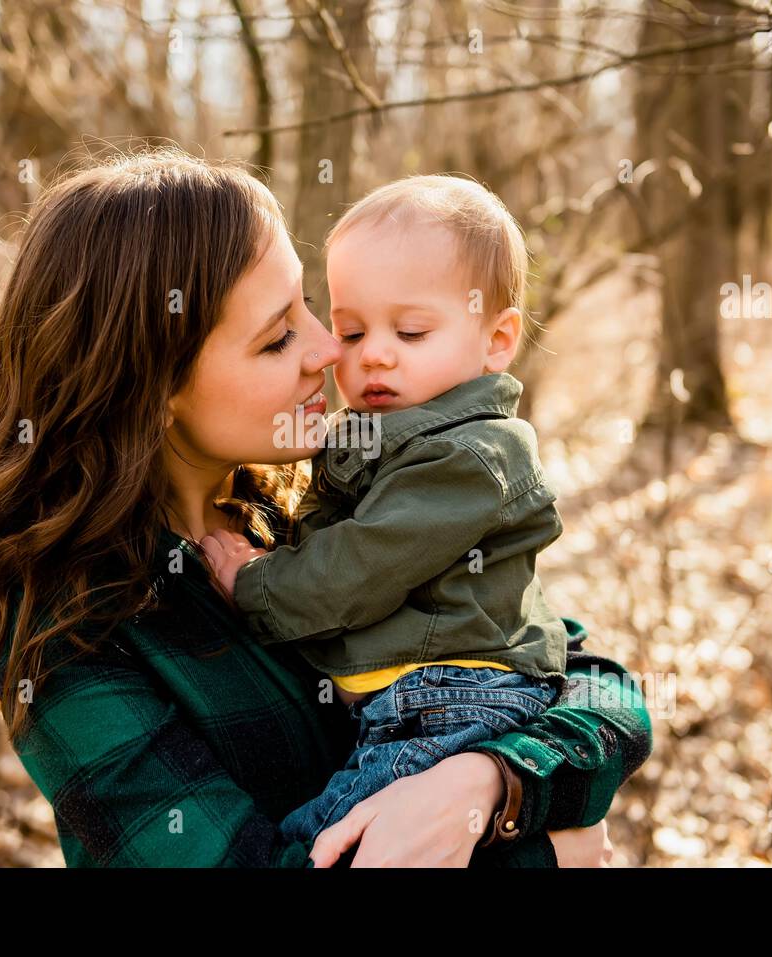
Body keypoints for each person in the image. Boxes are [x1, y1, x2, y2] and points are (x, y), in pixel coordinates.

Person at [0, 149, 652, 867]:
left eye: (309, 305)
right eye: (276, 337)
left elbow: (603, 690)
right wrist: (545, 853)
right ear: (153, 384)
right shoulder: (66, 626)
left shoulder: (296, 506)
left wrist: (495, 782)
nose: (331, 349)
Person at [201, 175, 575, 847]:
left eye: (410, 330)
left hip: (454, 701)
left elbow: (361, 565)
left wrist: (255, 585)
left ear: (497, 340)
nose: (372, 351)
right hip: (416, 700)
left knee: (326, 841)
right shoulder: (384, 440)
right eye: (352, 328)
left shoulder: (466, 456)